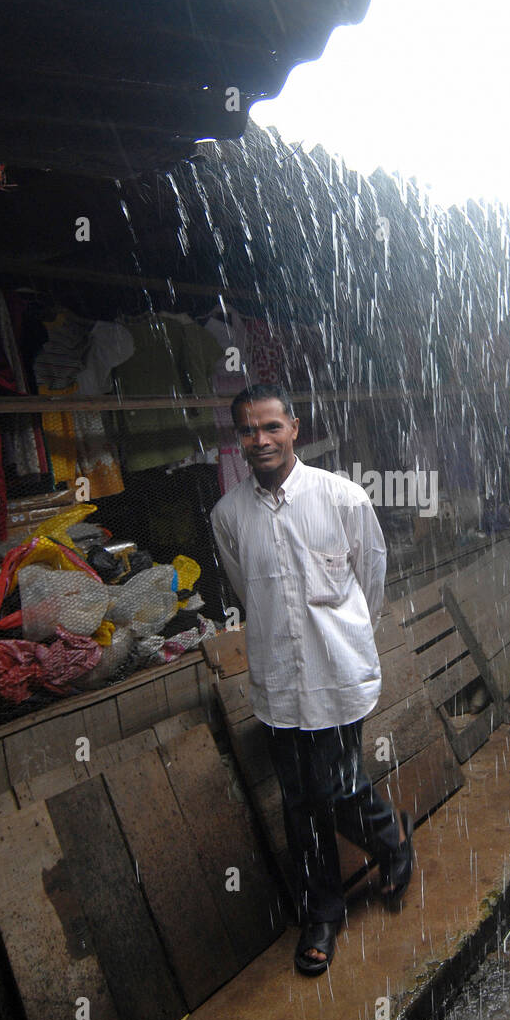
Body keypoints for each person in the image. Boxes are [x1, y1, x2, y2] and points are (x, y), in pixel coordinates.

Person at [210, 383, 413, 976]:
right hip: (277, 683)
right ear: (239, 440)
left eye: (271, 426)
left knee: (342, 787)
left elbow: (370, 579)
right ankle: (322, 912)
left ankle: (391, 843)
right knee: (299, 804)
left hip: (336, 675)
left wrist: (343, 636)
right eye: (248, 430)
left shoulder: (342, 498)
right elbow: (249, 593)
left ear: (294, 428)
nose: (261, 439)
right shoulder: (228, 516)